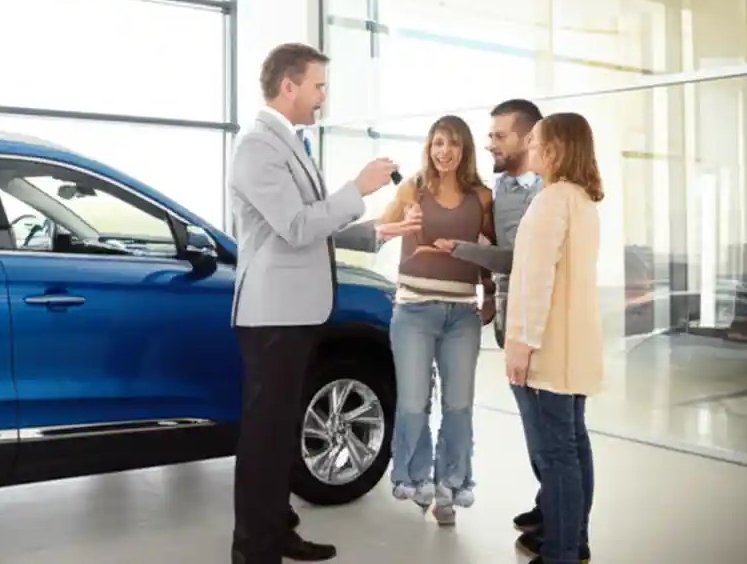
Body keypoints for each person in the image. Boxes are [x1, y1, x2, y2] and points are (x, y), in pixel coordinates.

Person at [228, 42, 414, 564]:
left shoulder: (289, 142)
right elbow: (296, 227)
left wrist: (376, 228)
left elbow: (312, 222)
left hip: (297, 311)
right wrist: (360, 187)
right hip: (273, 315)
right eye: (318, 87)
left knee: (282, 431)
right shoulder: (257, 147)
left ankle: (278, 529)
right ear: (288, 86)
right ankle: (254, 552)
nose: (323, 98)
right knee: (265, 439)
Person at [432, 98, 546, 537]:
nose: (491, 143)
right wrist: (490, 293)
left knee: (556, 434)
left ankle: (565, 525)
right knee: (535, 428)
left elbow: (520, 258)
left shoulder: (547, 193)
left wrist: (458, 248)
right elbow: (498, 253)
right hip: (510, 322)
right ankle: (548, 502)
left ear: (528, 138)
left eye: (500, 136)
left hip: (539, 326)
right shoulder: (501, 190)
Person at [377, 115, 495, 526]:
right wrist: (403, 224)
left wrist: (491, 294)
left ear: (465, 150)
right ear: (429, 147)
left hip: (462, 313)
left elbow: (488, 253)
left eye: (453, 144)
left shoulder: (482, 197)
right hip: (413, 311)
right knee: (413, 402)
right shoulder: (414, 187)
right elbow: (381, 228)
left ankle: (450, 488)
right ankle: (417, 481)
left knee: (458, 405)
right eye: (438, 143)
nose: (444, 151)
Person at [504, 112, 605, 564]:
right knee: (573, 447)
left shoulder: (551, 201)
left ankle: (561, 552)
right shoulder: (581, 199)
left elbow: (536, 279)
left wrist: (522, 341)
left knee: (558, 456)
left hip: (547, 349)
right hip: (574, 348)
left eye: (536, 139)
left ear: (556, 149)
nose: (528, 144)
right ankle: (574, 543)